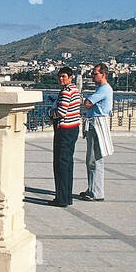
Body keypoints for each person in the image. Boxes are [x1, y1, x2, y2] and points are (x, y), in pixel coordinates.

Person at [79, 64, 113, 201]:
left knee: (95, 160)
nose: (92, 76)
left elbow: (87, 103)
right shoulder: (102, 89)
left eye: (94, 73)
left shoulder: (104, 89)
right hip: (94, 125)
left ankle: (97, 192)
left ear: (103, 74)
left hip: (97, 126)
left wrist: (86, 101)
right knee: (91, 160)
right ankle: (91, 188)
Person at [50, 66, 81, 207]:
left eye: (64, 76)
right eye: (60, 76)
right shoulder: (75, 90)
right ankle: (67, 196)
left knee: (60, 164)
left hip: (64, 130)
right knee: (68, 164)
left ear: (70, 77)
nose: (61, 79)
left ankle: (61, 199)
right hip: (73, 128)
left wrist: (50, 112)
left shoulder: (66, 92)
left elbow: (61, 112)